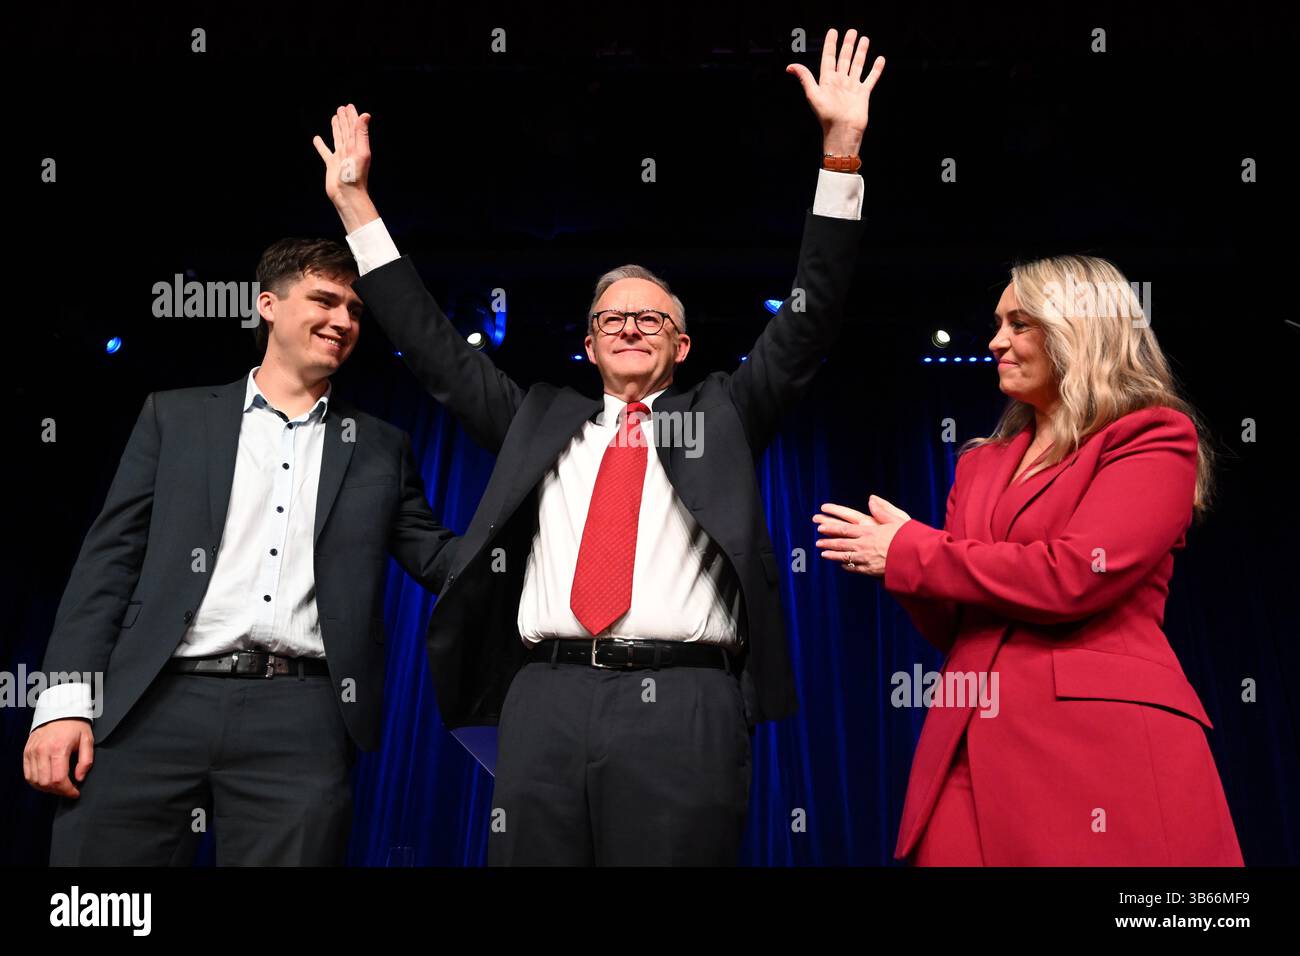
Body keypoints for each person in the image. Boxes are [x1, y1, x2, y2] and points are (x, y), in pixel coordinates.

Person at [311, 26, 882, 864]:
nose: (630, 328)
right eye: (611, 319)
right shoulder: (538, 419)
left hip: (687, 704)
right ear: (588, 344)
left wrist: (841, 155)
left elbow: (809, 320)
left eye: (652, 317)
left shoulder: (724, 412)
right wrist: (357, 209)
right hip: (543, 698)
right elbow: (431, 345)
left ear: (682, 347)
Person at [23, 238, 459, 865]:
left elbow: (436, 555)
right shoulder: (174, 418)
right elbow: (107, 566)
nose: (343, 321)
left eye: (356, 311)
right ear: (269, 306)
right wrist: (62, 707)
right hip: (150, 703)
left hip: (302, 718)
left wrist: (539, 547)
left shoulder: (380, 446)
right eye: (325, 300)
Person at [813, 254, 1243, 865]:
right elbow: (958, 627)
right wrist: (899, 565)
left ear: (1081, 328)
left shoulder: (1151, 436)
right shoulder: (980, 463)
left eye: (1020, 324)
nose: (996, 342)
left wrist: (914, 549)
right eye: (998, 324)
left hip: (1101, 743)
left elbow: (1074, 577)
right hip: (967, 740)